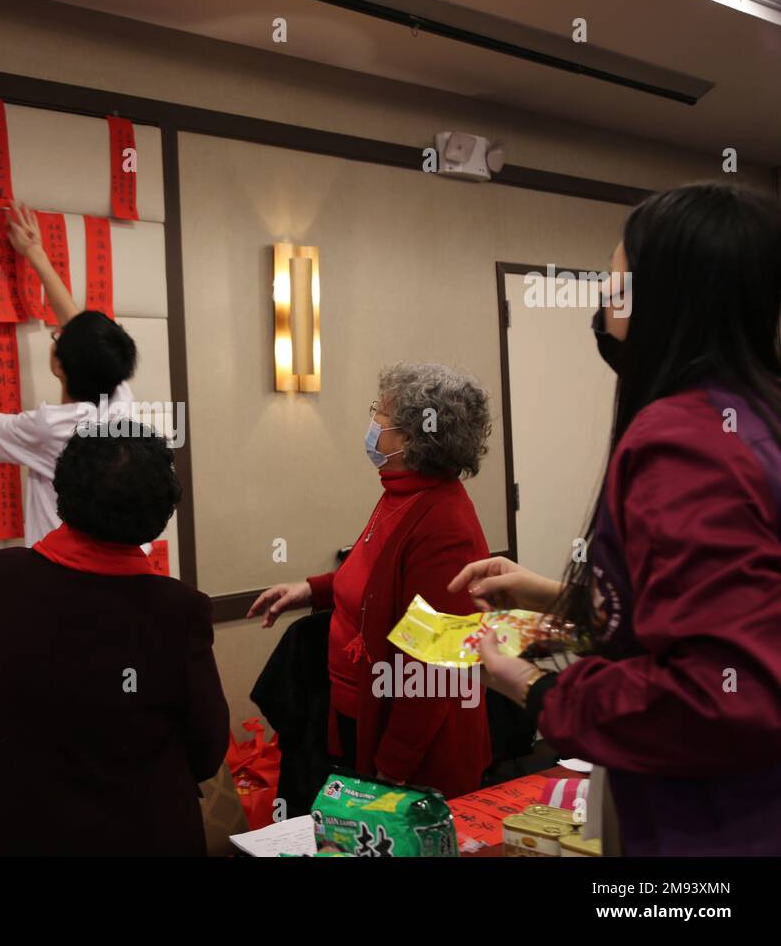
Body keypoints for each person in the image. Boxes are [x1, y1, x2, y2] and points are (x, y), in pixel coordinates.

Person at [451, 182, 781, 855]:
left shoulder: (684, 440)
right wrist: (556, 595)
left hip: (715, 826)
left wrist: (540, 688)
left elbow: (720, 688)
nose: (605, 303)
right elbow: (727, 608)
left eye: (616, 281)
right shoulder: (754, 416)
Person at [0, 423, 229, 855]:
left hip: (17, 829)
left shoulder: (0, 576)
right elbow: (208, 749)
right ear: (159, 510)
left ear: (64, 488)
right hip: (140, 835)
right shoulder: (178, 610)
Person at [247, 363, 493, 799]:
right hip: (360, 710)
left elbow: (436, 663)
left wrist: (392, 768)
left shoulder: (444, 523)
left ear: (414, 438)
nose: (373, 424)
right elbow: (372, 578)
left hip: (418, 751)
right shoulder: (399, 492)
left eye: (381, 415)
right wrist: (312, 589)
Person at [0, 202, 138, 546]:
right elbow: (80, 333)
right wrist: (35, 254)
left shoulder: (49, 428)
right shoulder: (118, 398)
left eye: (56, 339)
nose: (57, 334)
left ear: (59, 367)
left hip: (64, 575)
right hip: (117, 569)